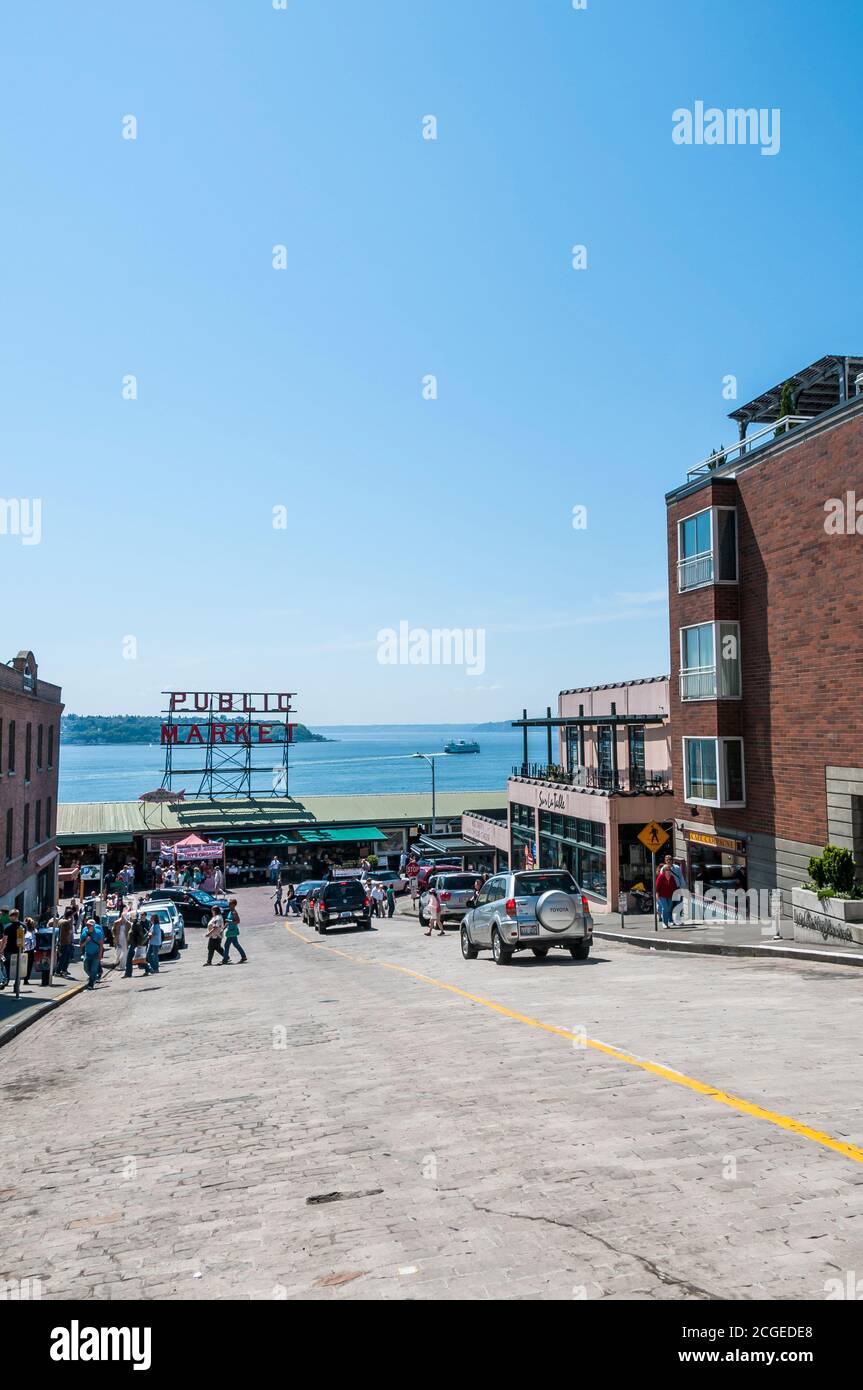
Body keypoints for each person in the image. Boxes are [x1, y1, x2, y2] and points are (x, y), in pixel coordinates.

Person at [79, 917, 104, 990]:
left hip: (96, 953)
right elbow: (80, 945)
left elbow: (101, 944)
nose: (88, 926)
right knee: (86, 968)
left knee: (94, 969)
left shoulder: (98, 933)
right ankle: (93, 978)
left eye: (90, 925)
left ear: (93, 926)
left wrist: (100, 954)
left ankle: (91, 984)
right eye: (87, 925)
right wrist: (86, 941)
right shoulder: (84, 933)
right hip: (88, 953)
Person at [220, 899, 247, 964]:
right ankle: (243, 956)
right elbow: (227, 922)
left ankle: (225, 959)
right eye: (228, 903)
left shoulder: (234, 912)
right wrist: (223, 928)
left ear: (234, 905)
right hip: (231, 931)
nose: (228, 905)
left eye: (230, 904)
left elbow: (238, 921)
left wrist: (230, 921)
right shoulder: (230, 912)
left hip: (232, 931)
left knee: (227, 945)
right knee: (236, 944)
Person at [655, 863, 677, 927]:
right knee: (665, 908)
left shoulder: (672, 877)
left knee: (669, 909)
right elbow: (657, 887)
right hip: (662, 896)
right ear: (664, 870)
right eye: (667, 869)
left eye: (669, 869)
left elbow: (675, 887)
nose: (668, 871)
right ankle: (665, 923)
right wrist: (657, 894)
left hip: (670, 895)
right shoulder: (661, 877)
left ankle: (668, 921)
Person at [22, 917, 37, 984]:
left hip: (24, 950)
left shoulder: (23, 930)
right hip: (30, 950)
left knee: (24, 965)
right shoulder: (34, 931)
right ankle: (26, 979)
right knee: (29, 965)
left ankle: (25, 978)